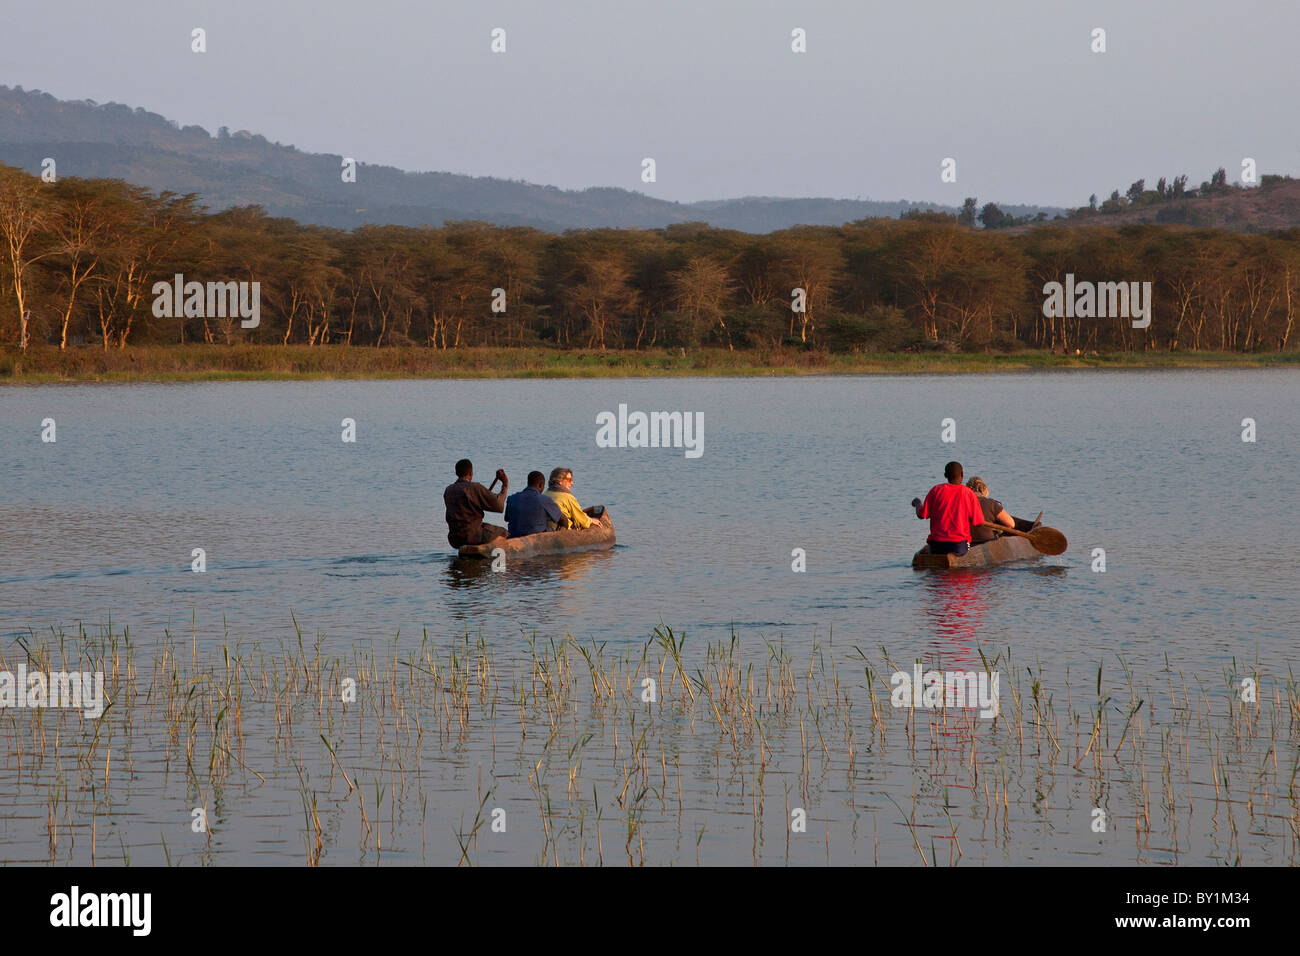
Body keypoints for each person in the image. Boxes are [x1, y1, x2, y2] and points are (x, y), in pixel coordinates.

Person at [911, 461, 985, 556]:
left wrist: (918, 503)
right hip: (958, 545)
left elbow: (921, 515)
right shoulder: (969, 493)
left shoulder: (936, 490)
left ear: (945, 475)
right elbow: (979, 523)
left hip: (936, 545)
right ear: (962, 475)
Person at [443, 458, 508, 549]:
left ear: (456, 473)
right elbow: (499, 506)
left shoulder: (448, 490)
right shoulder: (475, 487)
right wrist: (505, 485)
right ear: (471, 473)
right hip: (473, 536)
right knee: (504, 533)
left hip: (454, 538)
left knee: (485, 527)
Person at [506, 471, 569, 537]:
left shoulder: (511, 498)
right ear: (540, 485)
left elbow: (507, 518)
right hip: (537, 540)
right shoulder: (545, 500)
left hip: (514, 537)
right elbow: (564, 521)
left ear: (528, 483)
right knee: (553, 522)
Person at [967, 476, 1015, 544]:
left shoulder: (960, 504)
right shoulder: (991, 503)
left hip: (967, 543)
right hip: (988, 542)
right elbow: (1011, 524)